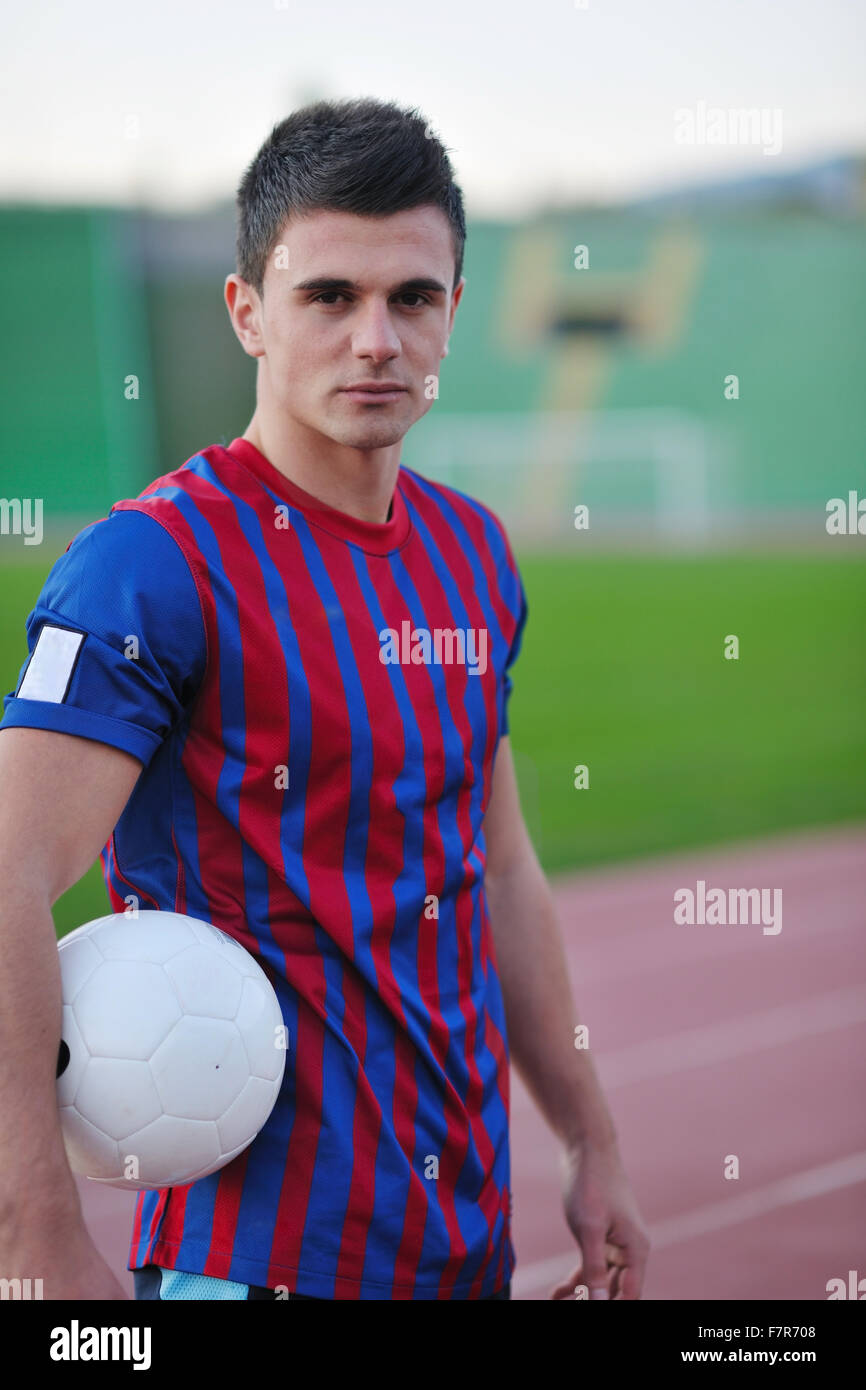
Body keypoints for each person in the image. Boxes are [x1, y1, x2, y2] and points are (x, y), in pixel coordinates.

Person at [0, 96, 649, 1300]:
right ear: (248, 311)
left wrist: (590, 1137)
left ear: (453, 309)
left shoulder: (470, 553)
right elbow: (5, 874)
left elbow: (498, 868)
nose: (375, 340)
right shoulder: (153, 567)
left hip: (461, 1246)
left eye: (412, 297)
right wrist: (34, 1236)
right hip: (250, 1264)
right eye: (327, 297)